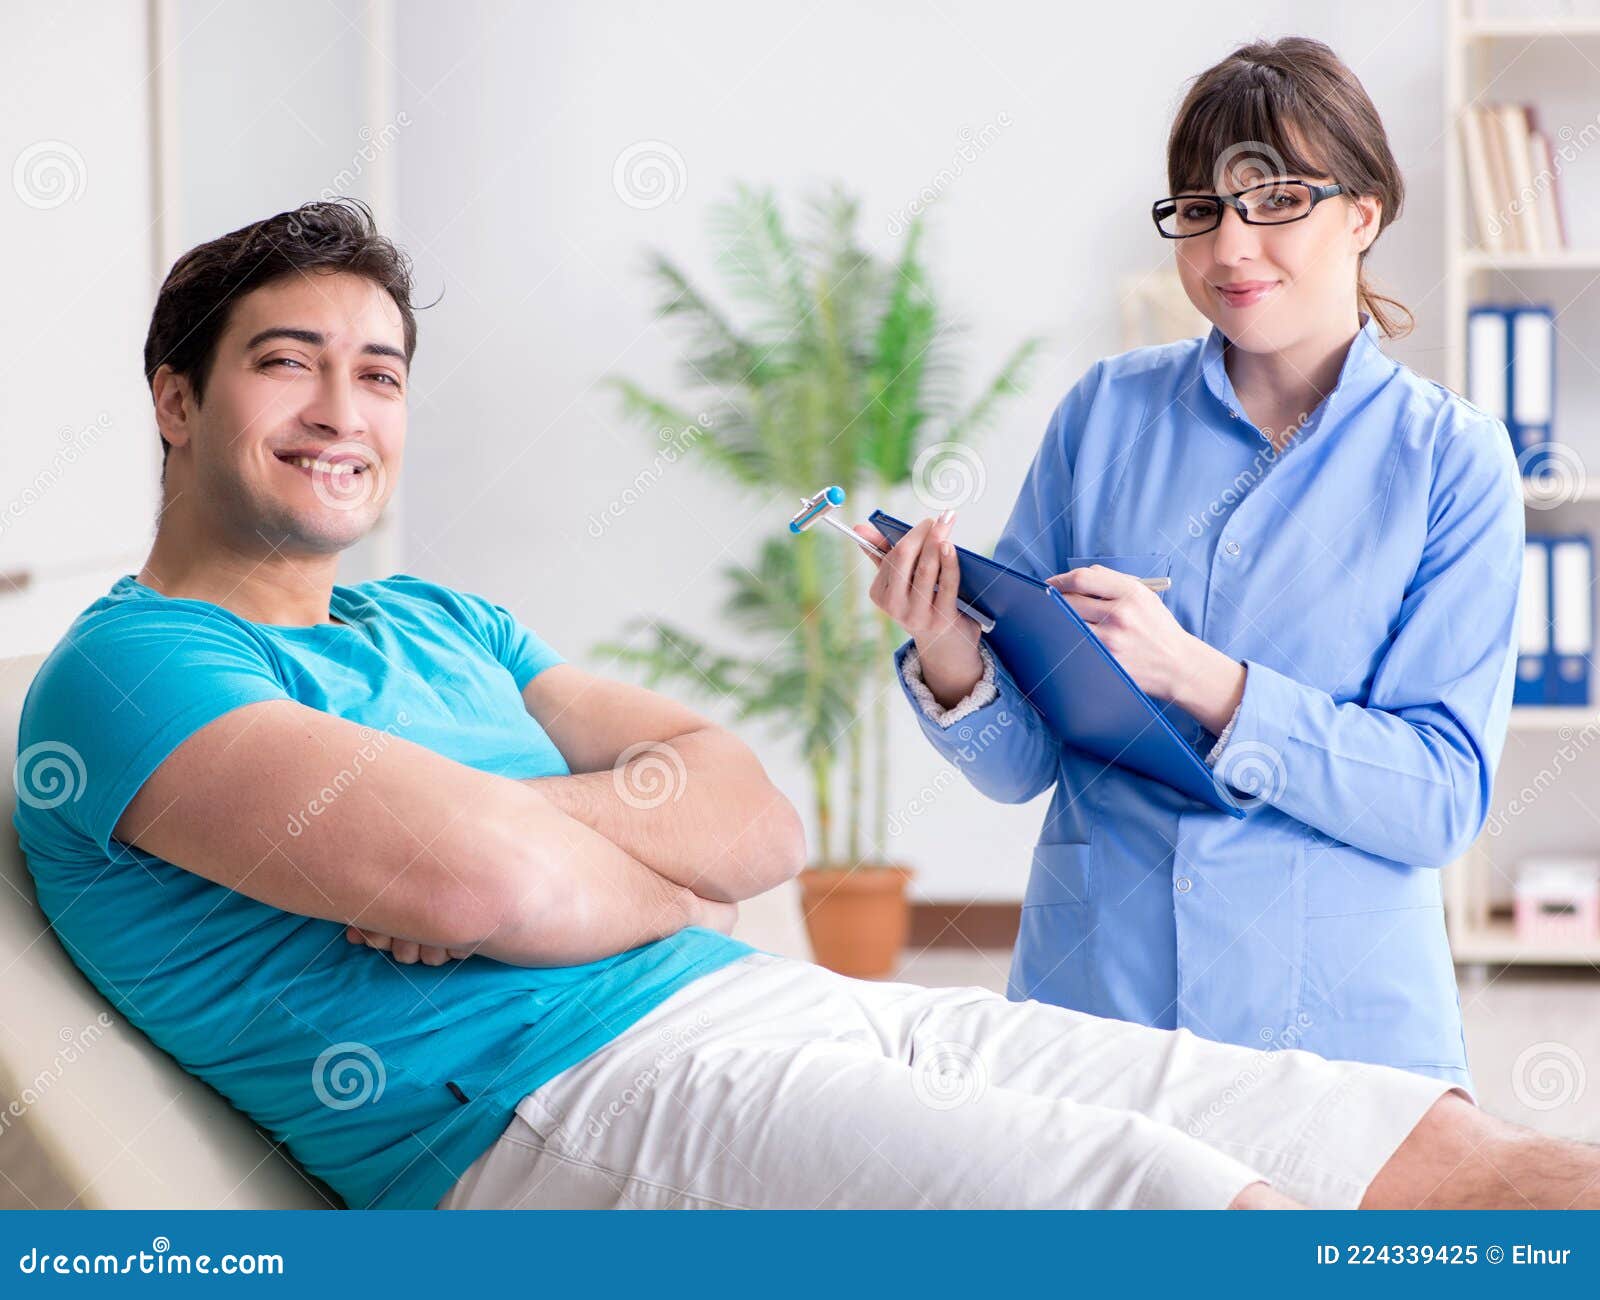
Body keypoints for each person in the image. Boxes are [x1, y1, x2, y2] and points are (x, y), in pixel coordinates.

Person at [15, 200, 1586, 1215]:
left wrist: (553, 858)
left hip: (766, 1006)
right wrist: (611, 868)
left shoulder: (439, 619)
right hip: (550, 1108)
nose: (343, 413)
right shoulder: (136, 667)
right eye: (289, 366)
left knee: (1406, 1141)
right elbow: (488, 884)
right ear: (177, 399)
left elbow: (751, 820)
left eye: (380, 374)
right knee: (1190, 1204)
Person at [862, 37, 1521, 1091]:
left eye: (1276, 201)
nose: (1229, 246)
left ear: (1363, 214)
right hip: (1099, 1007)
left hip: (1338, 1036)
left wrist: (1202, 677)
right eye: (1202, 209)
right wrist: (945, 643)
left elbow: (1437, 799)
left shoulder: (1451, 460)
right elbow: (1020, 765)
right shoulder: (1104, 412)